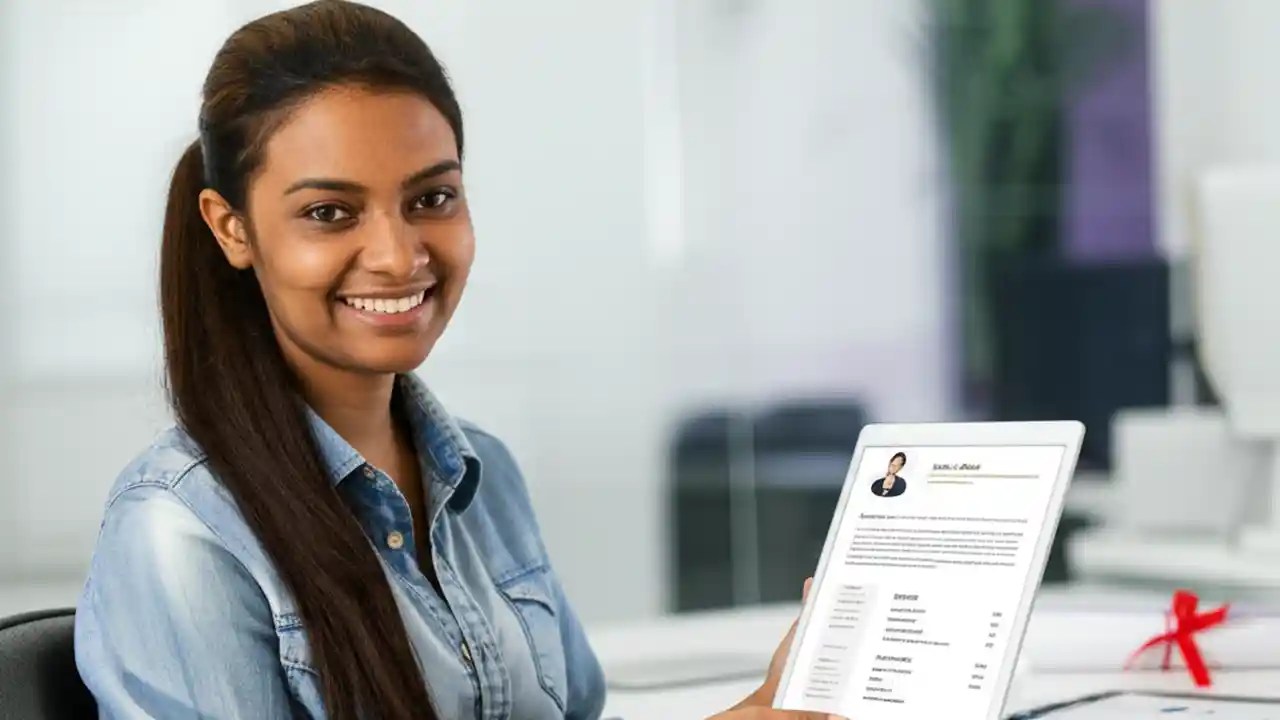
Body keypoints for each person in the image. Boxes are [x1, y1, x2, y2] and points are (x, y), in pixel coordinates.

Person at [71, 3, 844, 719]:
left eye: (431, 199)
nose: (399, 254)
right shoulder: (181, 533)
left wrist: (768, 706)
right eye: (329, 213)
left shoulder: (487, 478)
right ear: (232, 229)